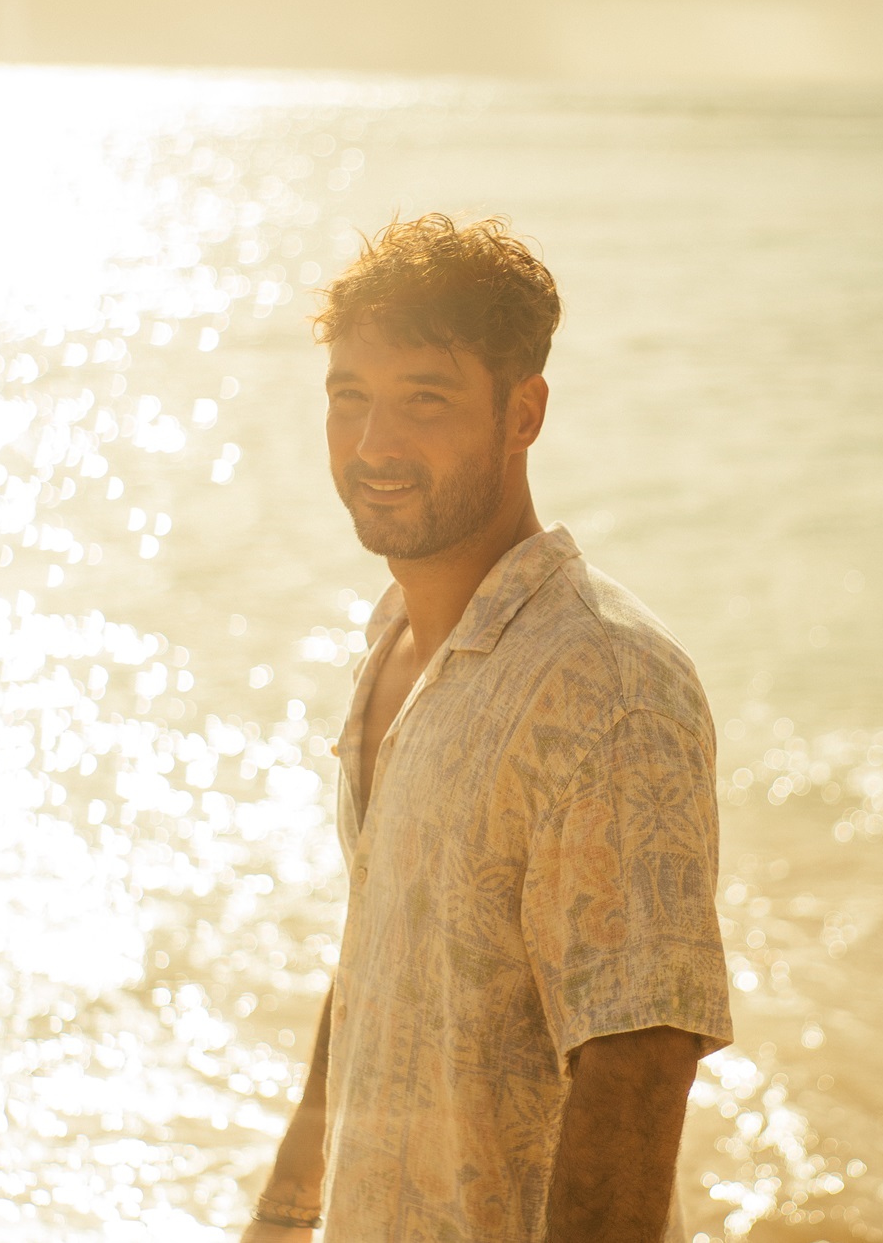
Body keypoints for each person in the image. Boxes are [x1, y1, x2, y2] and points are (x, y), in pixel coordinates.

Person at [242, 214, 732, 1243]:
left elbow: (638, 1065)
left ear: (523, 413)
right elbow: (381, 953)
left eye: (424, 400)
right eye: (350, 398)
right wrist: (284, 1215)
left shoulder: (605, 686)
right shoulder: (397, 645)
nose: (374, 445)